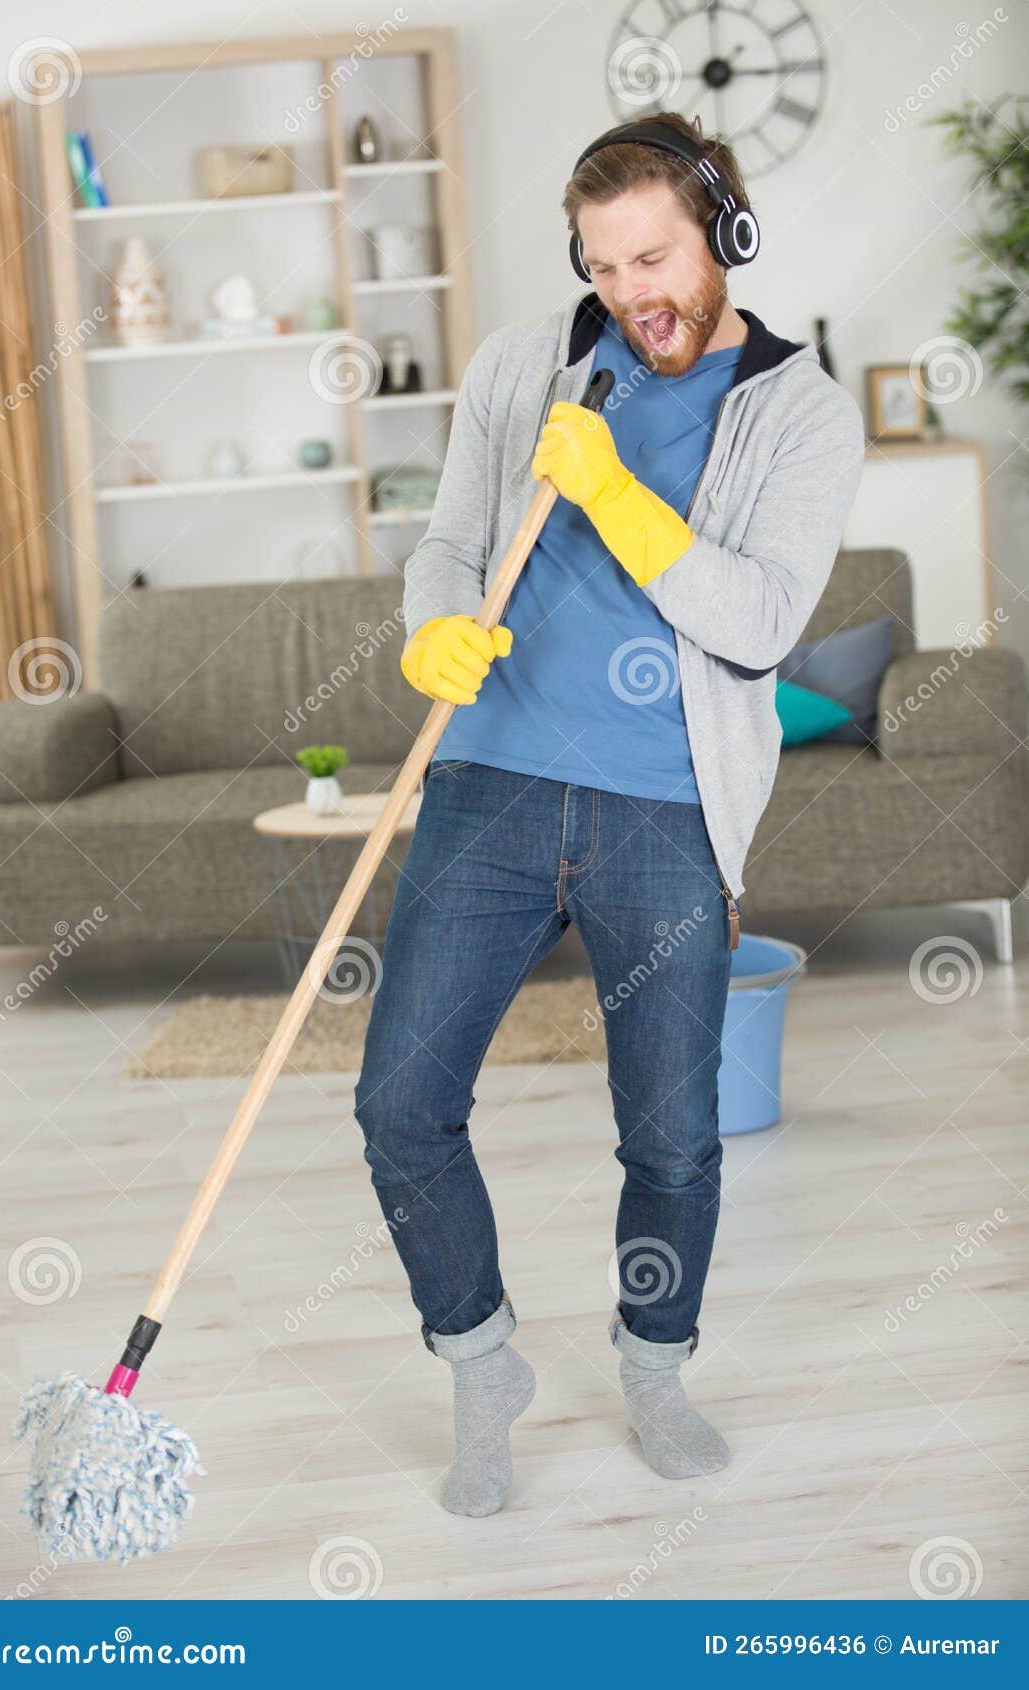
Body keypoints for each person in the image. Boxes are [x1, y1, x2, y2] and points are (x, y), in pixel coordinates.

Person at [353, 111, 864, 1517]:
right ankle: (479, 1357)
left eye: (656, 256)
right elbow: (450, 541)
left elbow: (758, 621)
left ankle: (654, 1359)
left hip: (665, 811)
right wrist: (430, 633)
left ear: (727, 234)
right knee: (399, 1100)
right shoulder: (524, 366)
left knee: (674, 1133)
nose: (633, 290)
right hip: (490, 779)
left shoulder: (806, 413)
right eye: (602, 262)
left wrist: (620, 495)